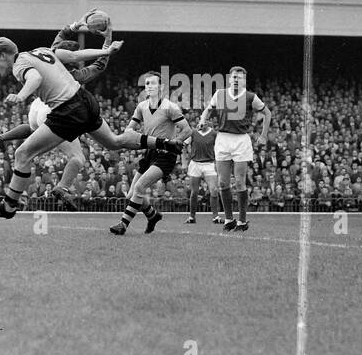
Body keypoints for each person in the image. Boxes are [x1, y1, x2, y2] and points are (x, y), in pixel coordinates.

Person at [0, 37, 182, 219]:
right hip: (85, 100)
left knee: (22, 154)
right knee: (114, 142)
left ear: (3, 55)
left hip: (67, 110)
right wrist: (106, 51)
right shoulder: (41, 50)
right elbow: (75, 56)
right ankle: (165, 143)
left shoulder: (19, 65)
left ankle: (8, 207)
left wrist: (21, 96)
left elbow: (35, 78)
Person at [0, 13, 114, 210]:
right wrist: (107, 40)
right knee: (77, 157)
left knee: (31, 135)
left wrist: (76, 25)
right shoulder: (75, 75)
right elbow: (99, 64)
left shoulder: (48, 53)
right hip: (61, 108)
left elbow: (61, 35)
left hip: (37, 107)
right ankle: (61, 188)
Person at [111, 71, 191, 235]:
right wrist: (133, 136)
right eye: (147, 83)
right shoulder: (141, 106)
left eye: (153, 83)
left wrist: (175, 142)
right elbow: (129, 130)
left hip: (166, 155)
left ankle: (123, 224)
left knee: (140, 187)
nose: (149, 86)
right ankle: (152, 216)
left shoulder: (170, 107)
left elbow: (187, 130)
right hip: (149, 152)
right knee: (132, 194)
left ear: (161, 87)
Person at [198, 66, 270, 232]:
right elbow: (207, 110)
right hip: (223, 139)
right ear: (229, 79)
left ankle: (242, 221)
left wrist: (264, 135)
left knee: (239, 181)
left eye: (240, 77)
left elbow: (267, 113)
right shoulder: (220, 94)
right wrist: (202, 120)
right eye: (234, 77)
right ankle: (229, 219)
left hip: (241, 140)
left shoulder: (251, 97)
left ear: (244, 80)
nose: (237, 80)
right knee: (223, 182)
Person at [185, 119, 222, 224]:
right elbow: (183, 145)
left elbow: (220, 148)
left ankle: (215, 217)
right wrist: (184, 161)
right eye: (202, 120)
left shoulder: (214, 134)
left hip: (209, 164)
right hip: (195, 164)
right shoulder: (193, 133)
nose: (204, 123)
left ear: (209, 122)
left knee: (214, 190)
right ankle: (192, 217)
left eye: (206, 120)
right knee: (194, 192)